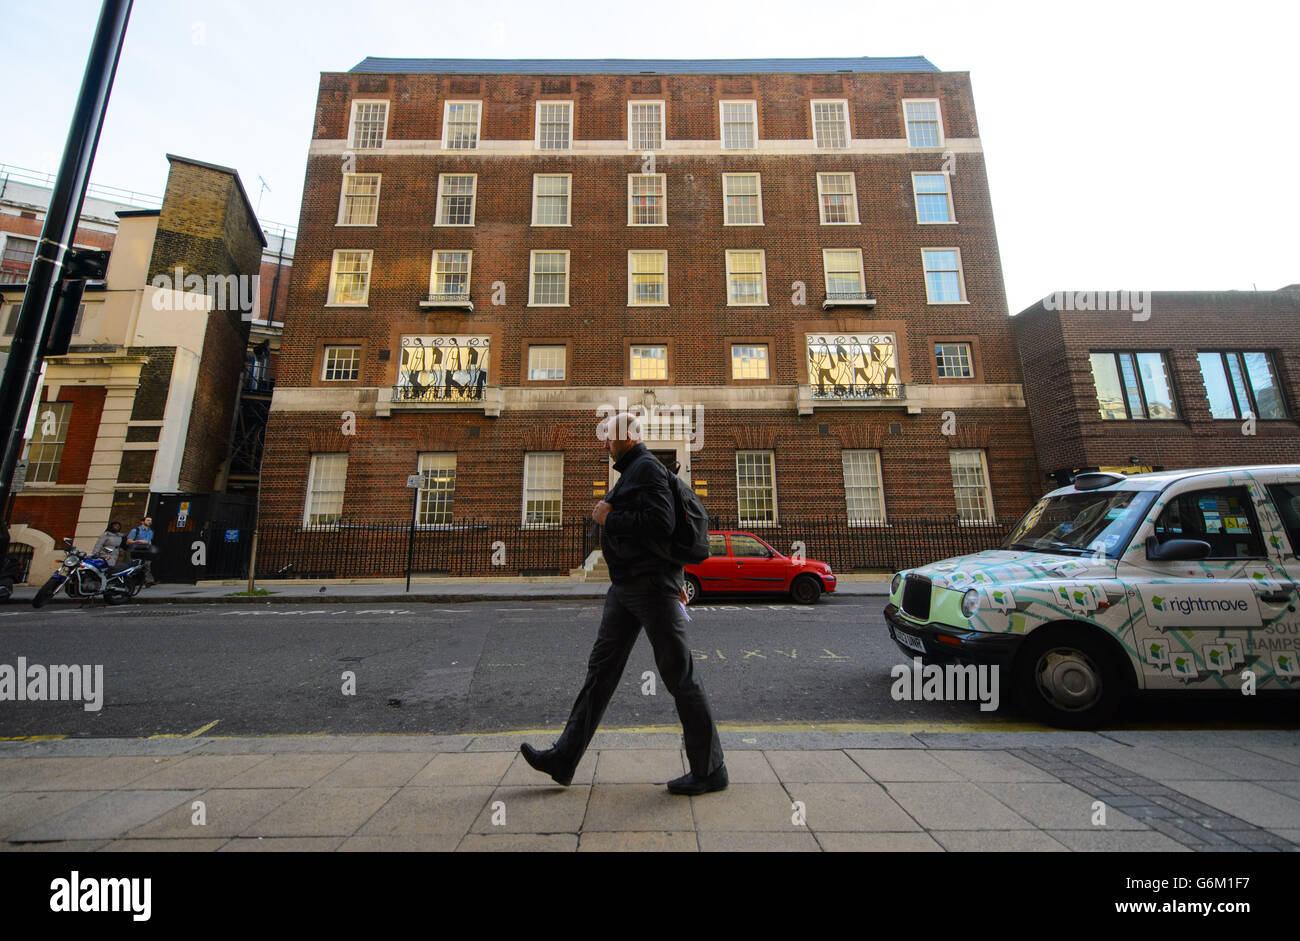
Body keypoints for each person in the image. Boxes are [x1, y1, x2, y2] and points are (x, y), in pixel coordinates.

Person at [521, 412, 727, 795]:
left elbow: (661, 523)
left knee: (679, 676)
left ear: (629, 437)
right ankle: (564, 758)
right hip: (628, 588)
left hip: (648, 588)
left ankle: (710, 769)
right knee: (600, 674)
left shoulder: (646, 468)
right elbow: (658, 534)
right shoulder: (633, 471)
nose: (606, 443)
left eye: (611, 437)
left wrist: (610, 516)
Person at [125, 516, 156, 585]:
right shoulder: (135, 530)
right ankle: (131, 581)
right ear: (142, 522)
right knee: (134, 566)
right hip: (135, 550)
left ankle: (148, 581)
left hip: (145, 550)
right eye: (148, 520)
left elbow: (149, 541)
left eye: (150, 520)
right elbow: (128, 541)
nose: (149, 522)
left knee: (147, 565)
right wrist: (138, 541)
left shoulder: (151, 531)